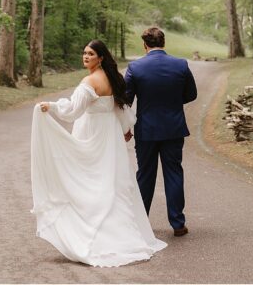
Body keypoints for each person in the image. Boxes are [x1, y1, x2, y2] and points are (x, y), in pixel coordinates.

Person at [32, 40, 167, 267]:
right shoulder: (114, 79)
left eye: (91, 54)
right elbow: (120, 108)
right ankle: (119, 232)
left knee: (88, 180)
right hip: (110, 134)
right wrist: (125, 129)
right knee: (110, 181)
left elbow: (73, 111)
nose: (85, 57)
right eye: (84, 53)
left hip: (91, 133)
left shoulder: (89, 82)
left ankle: (93, 234)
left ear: (101, 57)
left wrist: (51, 106)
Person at [124, 27, 197, 237]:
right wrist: (173, 102)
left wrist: (125, 126)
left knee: (145, 175)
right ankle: (178, 223)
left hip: (146, 130)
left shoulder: (135, 67)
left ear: (144, 45)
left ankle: (141, 223)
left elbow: (126, 99)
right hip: (174, 128)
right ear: (163, 43)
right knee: (174, 173)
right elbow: (191, 94)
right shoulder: (181, 64)